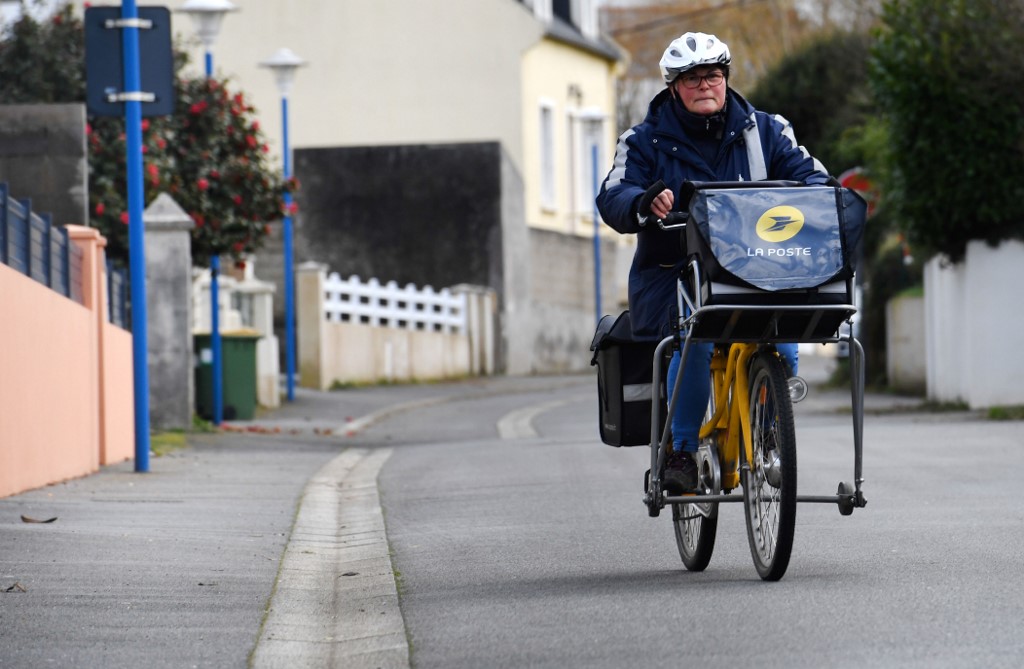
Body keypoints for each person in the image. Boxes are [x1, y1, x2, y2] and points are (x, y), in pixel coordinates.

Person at [596, 32, 831, 493]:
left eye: (714, 75)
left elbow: (813, 179)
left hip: (759, 269)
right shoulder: (644, 141)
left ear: (726, 79)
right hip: (674, 274)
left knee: (784, 340)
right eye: (692, 78)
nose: (705, 85)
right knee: (695, 340)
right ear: (673, 87)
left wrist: (819, 200)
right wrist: (643, 202)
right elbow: (612, 195)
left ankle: (769, 426)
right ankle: (681, 454)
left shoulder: (767, 131)